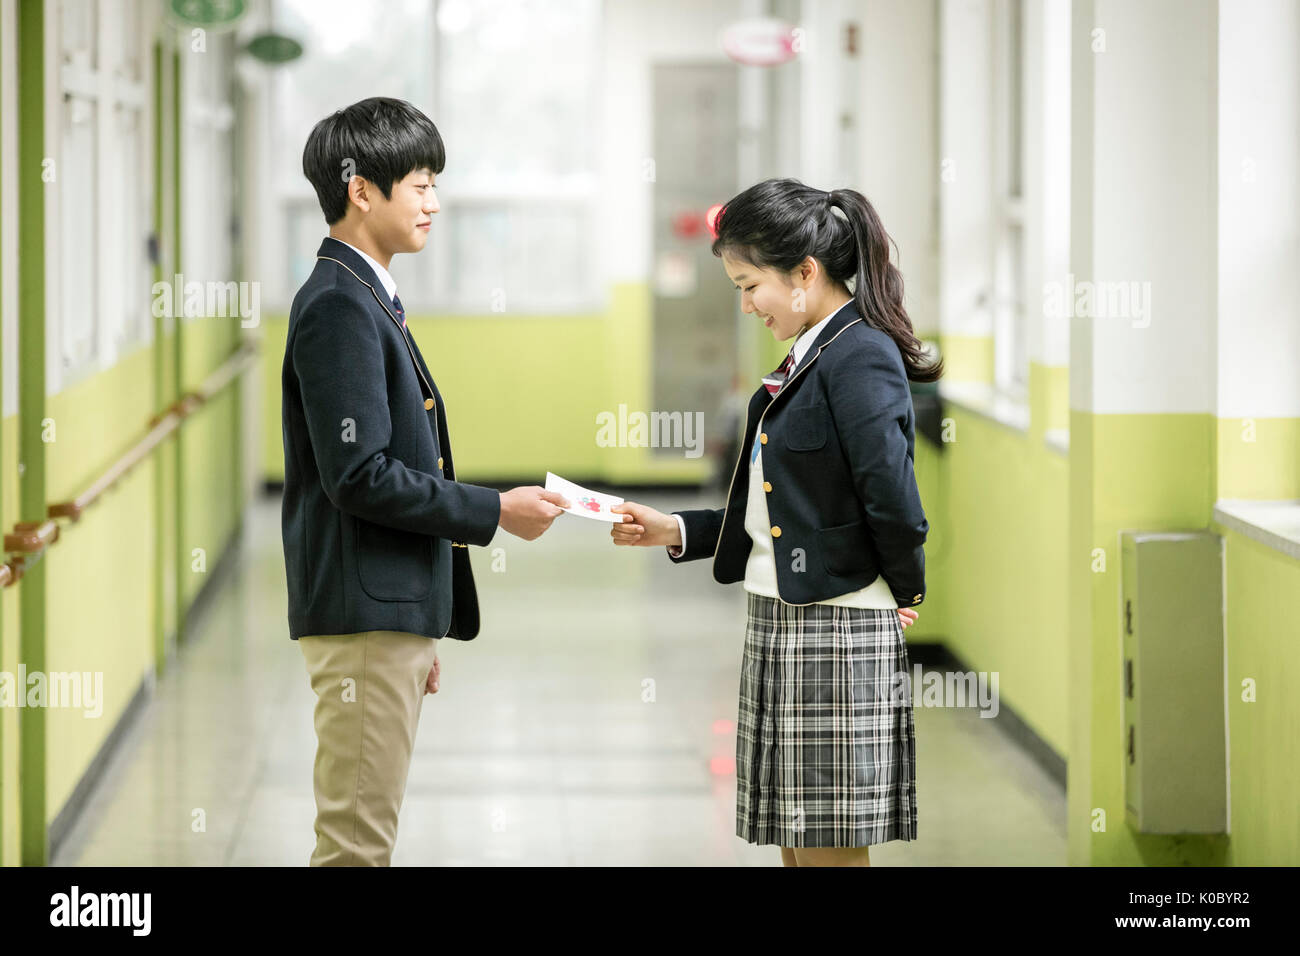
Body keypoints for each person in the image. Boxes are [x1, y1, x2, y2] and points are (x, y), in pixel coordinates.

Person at [611, 178, 943, 868]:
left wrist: (903, 590)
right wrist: (674, 529)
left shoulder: (859, 354)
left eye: (749, 284)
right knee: (796, 845)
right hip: (784, 612)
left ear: (805, 273)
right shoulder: (812, 350)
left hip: (835, 622)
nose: (746, 304)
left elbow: (891, 496)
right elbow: (776, 507)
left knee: (826, 849)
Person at [281, 96, 569, 866]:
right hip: (363, 621)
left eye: (434, 182)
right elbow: (360, 477)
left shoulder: (368, 294)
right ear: (360, 190)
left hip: (383, 614)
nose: (433, 202)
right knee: (354, 846)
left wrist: (416, 617)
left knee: (361, 835)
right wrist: (495, 511)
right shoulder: (341, 305)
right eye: (419, 183)